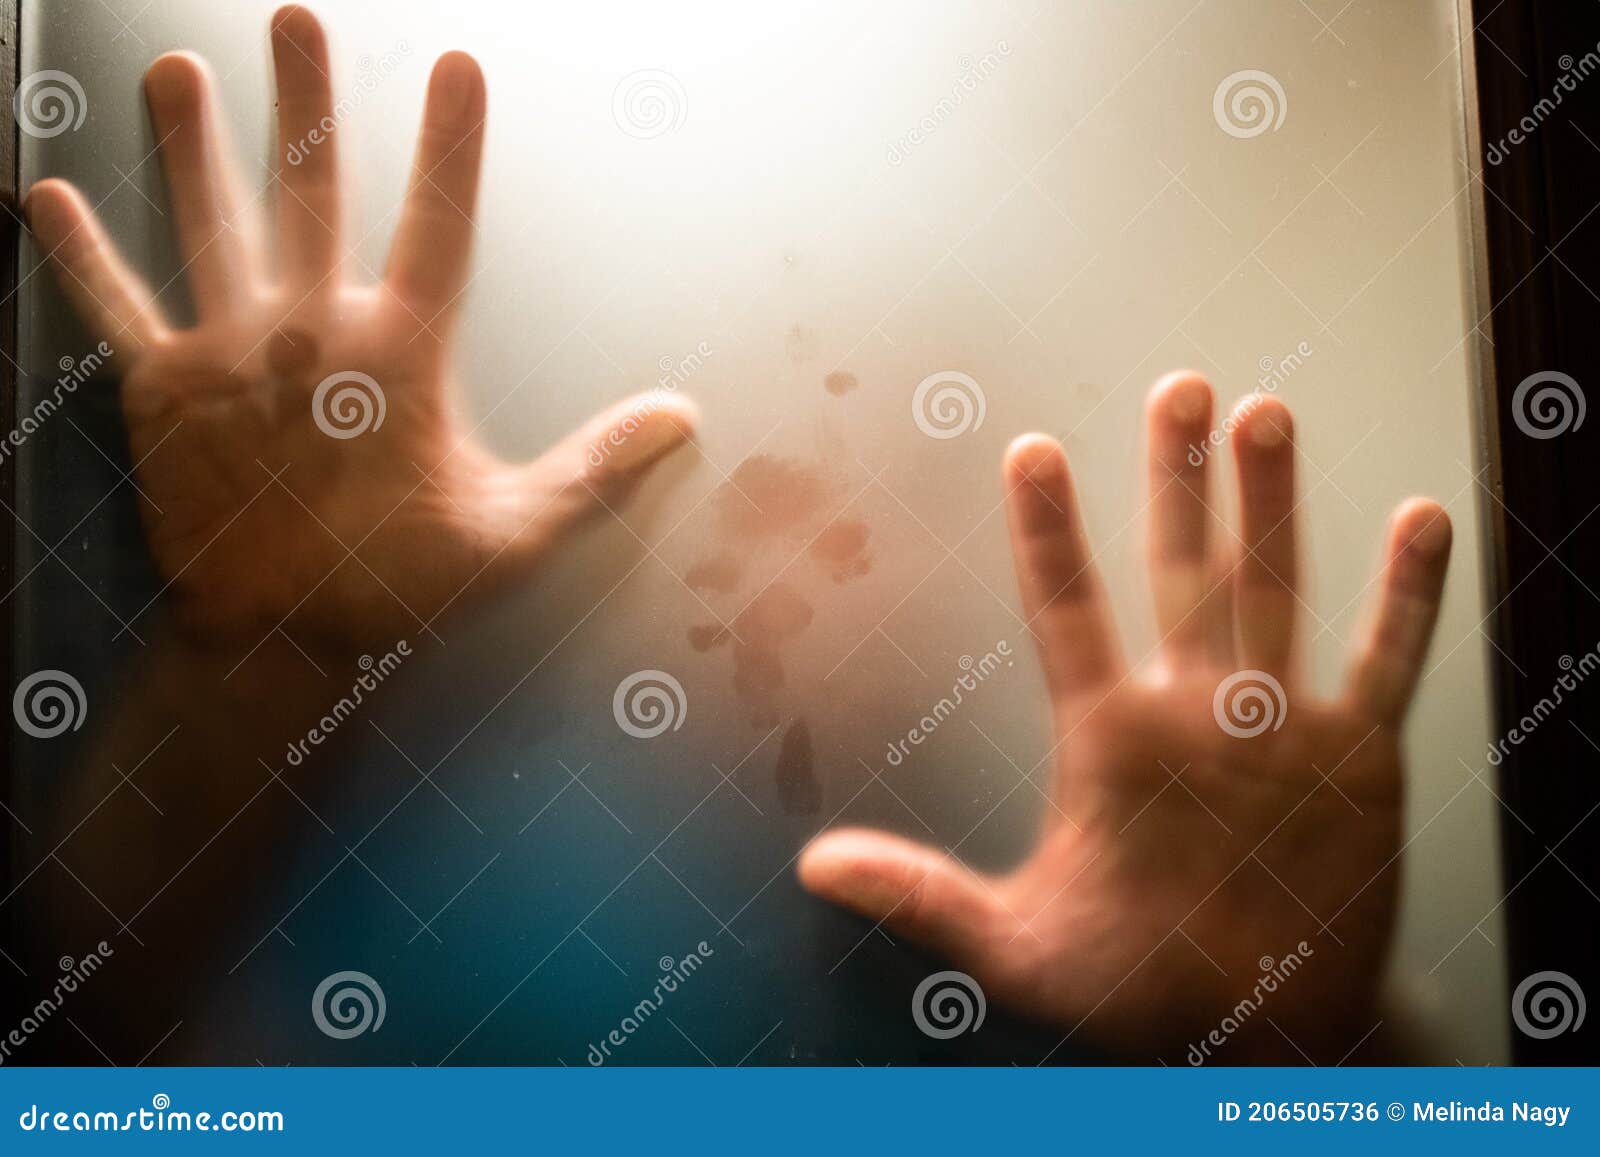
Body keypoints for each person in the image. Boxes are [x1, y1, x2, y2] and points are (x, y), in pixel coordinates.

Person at [19, 6, 1452, 1065]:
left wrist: (1314, 1042)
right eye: (795, 493)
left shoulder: (1055, 899)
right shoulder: (457, 815)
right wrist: (273, 658)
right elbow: (91, 1038)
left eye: (910, 495)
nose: (848, 562)